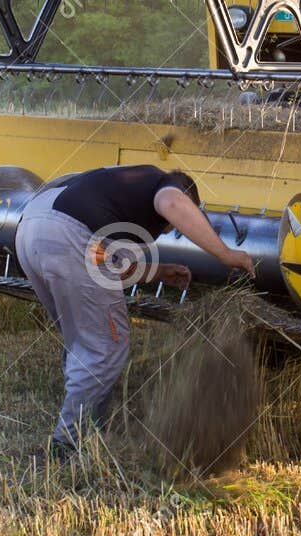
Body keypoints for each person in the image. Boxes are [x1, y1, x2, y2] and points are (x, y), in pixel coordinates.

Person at [14, 164, 255, 456]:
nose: (173, 227)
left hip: (31, 228)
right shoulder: (163, 185)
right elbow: (172, 202)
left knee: (81, 335)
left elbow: (106, 262)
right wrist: (226, 254)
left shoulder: (119, 190)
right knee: (105, 345)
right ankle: (69, 442)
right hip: (70, 235)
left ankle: (90, 422)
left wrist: (158, 272)